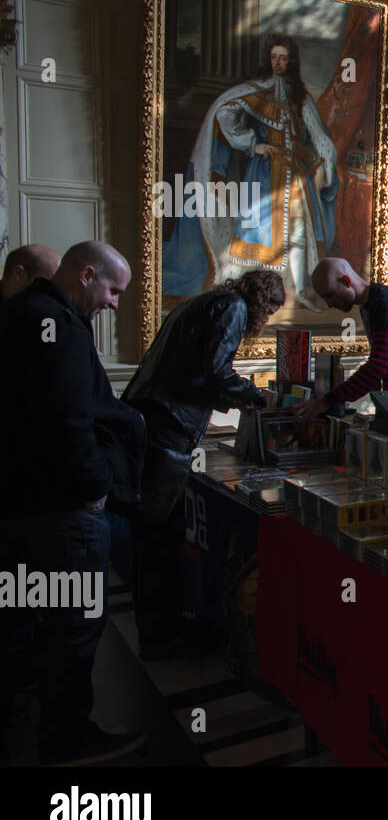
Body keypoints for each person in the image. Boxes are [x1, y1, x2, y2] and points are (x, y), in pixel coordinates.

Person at [0, 241, 146, 765]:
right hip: (63, 510)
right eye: (112, 290)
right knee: (74, 630)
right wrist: (94, 487)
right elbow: (68, 418)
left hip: (18, 506)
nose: (113, 302)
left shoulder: (17, 312)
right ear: (86, 276)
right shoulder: (56, 324)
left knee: (19, 619)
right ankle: (66, 741)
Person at [122, 270, 284, 660]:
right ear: (263, 302)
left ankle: (161, 629)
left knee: (156, 537)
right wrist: (260, 398)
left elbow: (192, 371)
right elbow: (216, 372)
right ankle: (161, 638)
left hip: (150, 422)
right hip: (168, 430)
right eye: (272, 310)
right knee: (160, 538)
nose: (267, 318)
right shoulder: (233, 308)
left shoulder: (201, 302)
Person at [162, 32, 336, 310]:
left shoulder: (299, 98)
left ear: (291, 62)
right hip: (264, 174)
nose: (278, 63)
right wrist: (252, 143)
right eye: (274, 57)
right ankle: (260, 291)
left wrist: (325, 161)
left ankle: (299, 288)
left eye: (284, 58)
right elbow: (223, 113)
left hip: (294, 177)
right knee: (259, 232)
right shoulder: (256, 92)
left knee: (299, 232)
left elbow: (319, 136)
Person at [293, 258, 388, 418]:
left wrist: (325, 402)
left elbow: (377, 368)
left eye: (330, 295)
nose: (329, 304)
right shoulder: (369, 307)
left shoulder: (387, 304)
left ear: (346, 281)